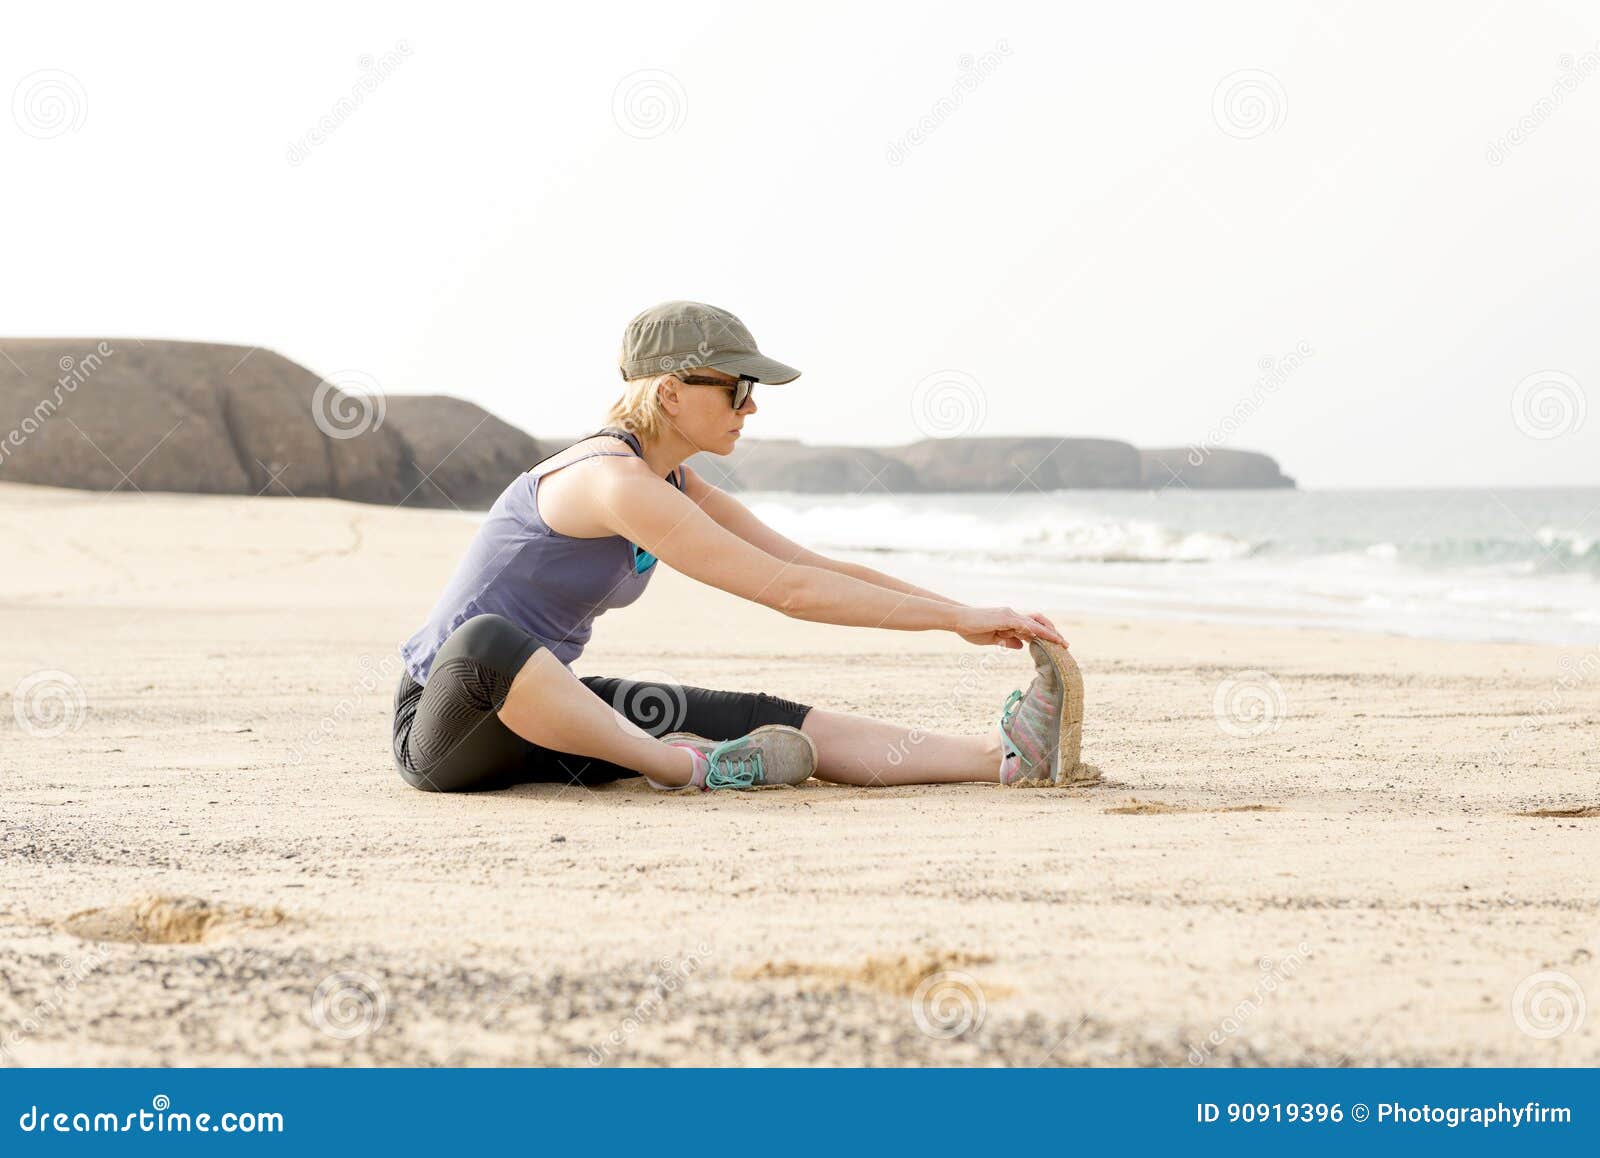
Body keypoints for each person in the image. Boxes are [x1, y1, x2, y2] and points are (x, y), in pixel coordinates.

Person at [392, 301, 1073, 793]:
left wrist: (964, 611)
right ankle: (681, 767)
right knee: (489, 642)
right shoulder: (611, 481)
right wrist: (954, 624)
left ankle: (1002, 758)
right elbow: (791, 595)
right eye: (737, 389)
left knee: (762, 719)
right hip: (449, 724)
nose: (751, 408)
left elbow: (805, 565)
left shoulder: (671, 482)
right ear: (669, 392)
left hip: (550, 721)